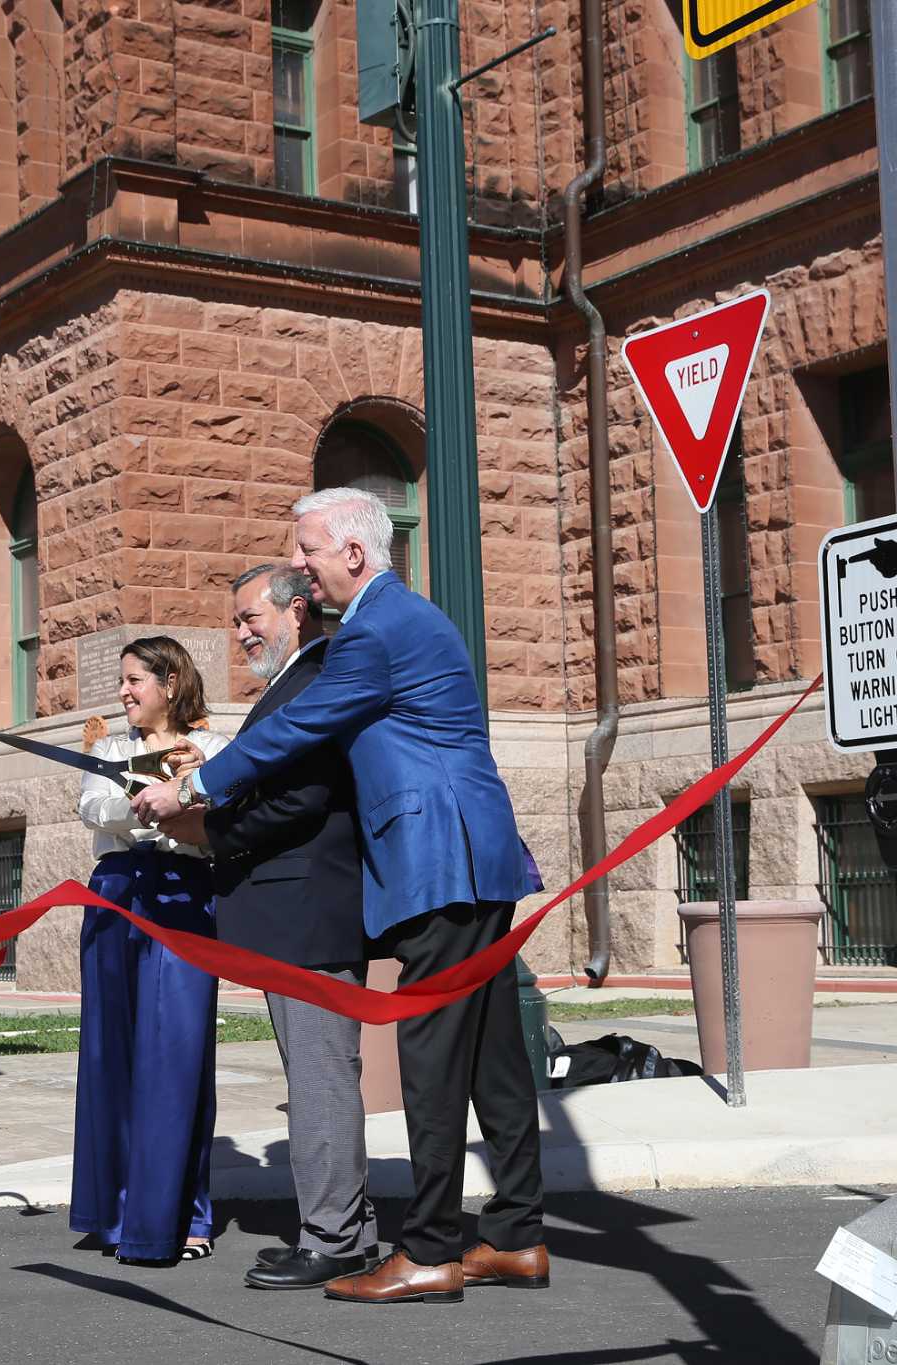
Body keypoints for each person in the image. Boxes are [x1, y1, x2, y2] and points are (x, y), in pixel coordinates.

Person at [134, 487, 548, 1304]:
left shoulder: (373, 630)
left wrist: (199, 785)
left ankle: (431, 1249)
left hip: (438, 858)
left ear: (354, 554)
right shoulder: (406, 619)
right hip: (473, 852)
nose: (299, 564)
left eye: (307, 551)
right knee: (494, 1054)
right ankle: (516, 1235)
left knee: (433, 1063)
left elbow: (302, 725)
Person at [162, 565, 378, 1291]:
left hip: (311, 910)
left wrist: (211, 827)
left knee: (320, 1077)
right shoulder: (290, 683)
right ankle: (346, 1222)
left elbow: (306, 796)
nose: (242, 631)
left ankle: (334, 1237)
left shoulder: (316, 677)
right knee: (315, 1074)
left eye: (251, 616)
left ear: (296, 611)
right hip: (293, 911)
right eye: (235, 621)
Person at [74, 636, 228, 1264]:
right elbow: (94, 808)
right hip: (114, 894)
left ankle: (183, 1216)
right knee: (112, 1051)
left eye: (135, 679)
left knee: (177, 1051)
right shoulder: (110, 748)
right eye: (122, 680)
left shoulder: (211, 747)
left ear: (169, 681)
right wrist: (154, 788)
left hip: (183, 896)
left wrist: (186, 786)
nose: (124, 692)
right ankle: (112, 1212)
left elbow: (221, 806)